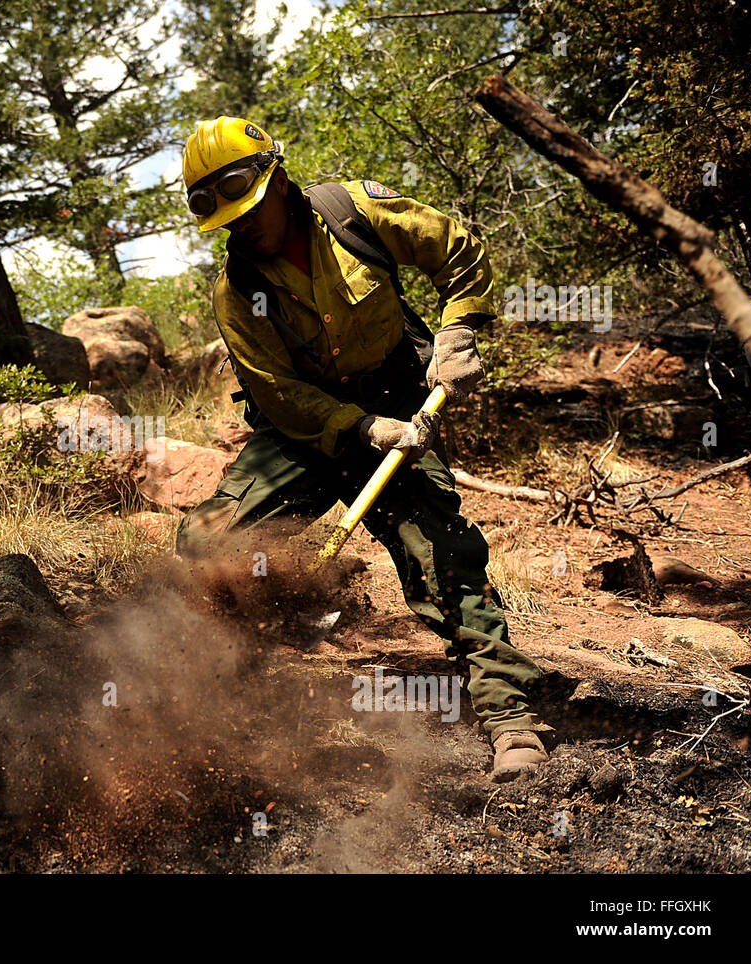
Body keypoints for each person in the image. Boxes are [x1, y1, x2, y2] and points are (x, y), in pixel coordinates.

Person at [177, 115, 552, 782]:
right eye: (225, 218)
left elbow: (457, 251)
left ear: (278, 179)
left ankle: (510, 719)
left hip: (401, 409)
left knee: (443, 556)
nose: (241, 226)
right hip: (305, 433)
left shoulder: (355, 213)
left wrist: (459, 332)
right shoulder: (238, 293)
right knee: (211, 542)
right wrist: (360, 429)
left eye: (248, 206)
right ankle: (221, 695)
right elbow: (281, 394)